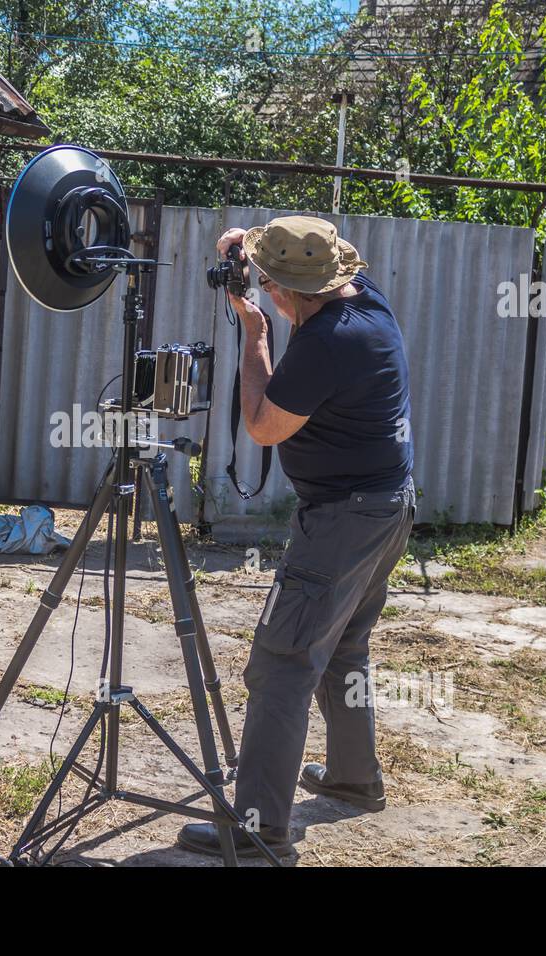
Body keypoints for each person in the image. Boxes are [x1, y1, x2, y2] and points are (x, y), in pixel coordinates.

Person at [178, 216, 416, 857]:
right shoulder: (366, 301)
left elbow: (261, 426)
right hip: (388, 508)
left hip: (344, 521)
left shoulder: (325, 345)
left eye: (270, 284)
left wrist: (254, 332)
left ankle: (258, 832)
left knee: (282, 666)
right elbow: (304, 251)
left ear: (287, 295)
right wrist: (250, 240)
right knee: (343, 649)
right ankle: (353, 779)